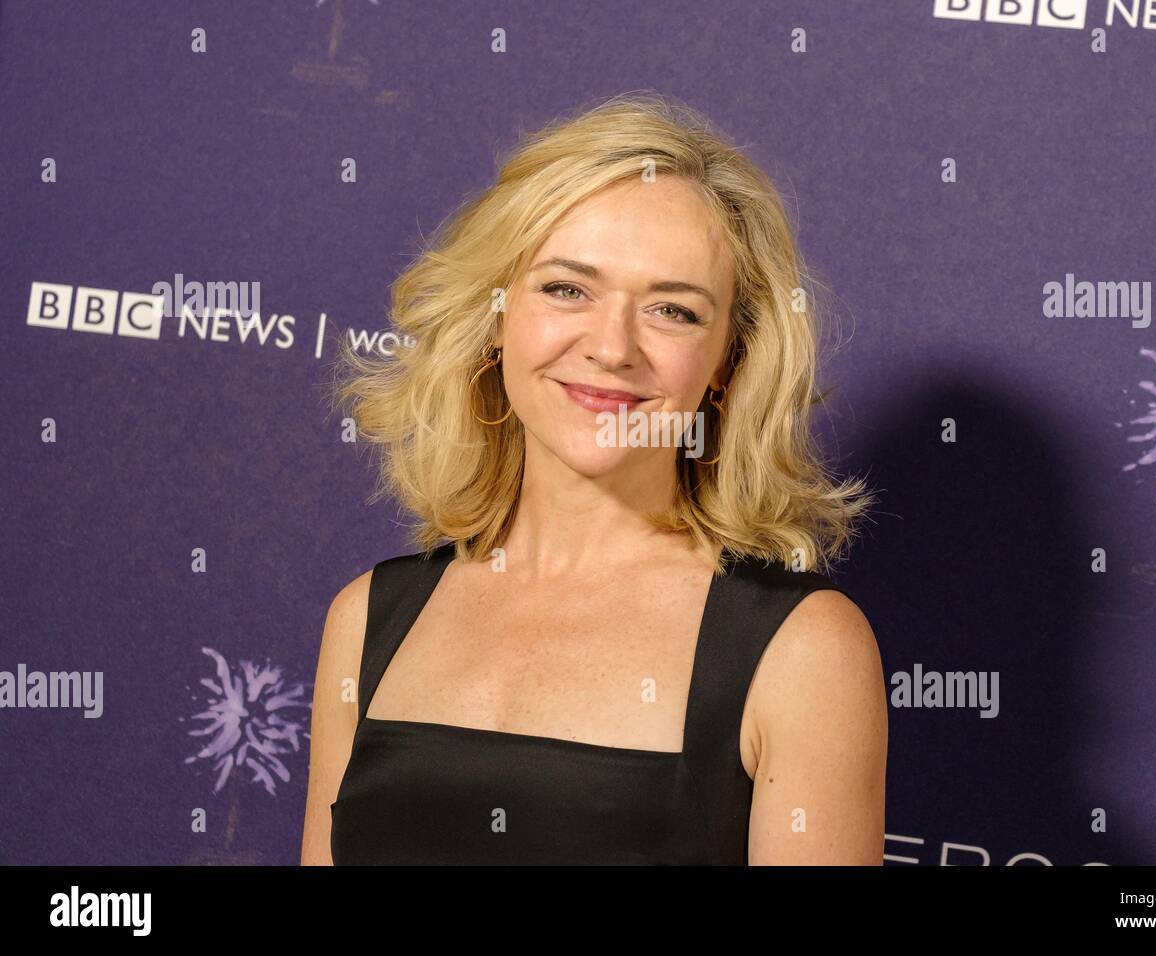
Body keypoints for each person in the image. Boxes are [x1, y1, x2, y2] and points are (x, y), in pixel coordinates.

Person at [300, 92, 888, 865]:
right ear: (495, 317)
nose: (612, 347)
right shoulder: (368, 618)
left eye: (673, 310)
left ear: (727, 364)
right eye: (567, 288)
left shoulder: (802, 649)